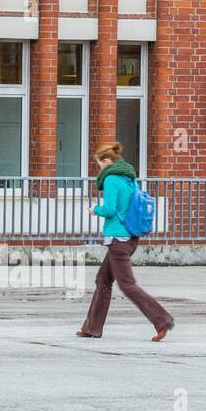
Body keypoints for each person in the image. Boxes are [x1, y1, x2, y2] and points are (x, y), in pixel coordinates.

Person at [77, 142, 174, 341]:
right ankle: (92, 327)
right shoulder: (130, 179)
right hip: (131, 237)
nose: (100, 169)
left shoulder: (112, 179)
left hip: (118, 239)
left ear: (106, 161)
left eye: (99, 165)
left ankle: (162, 320)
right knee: (103, 281)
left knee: (127, 284)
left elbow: (110, 209)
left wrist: (94, 209)